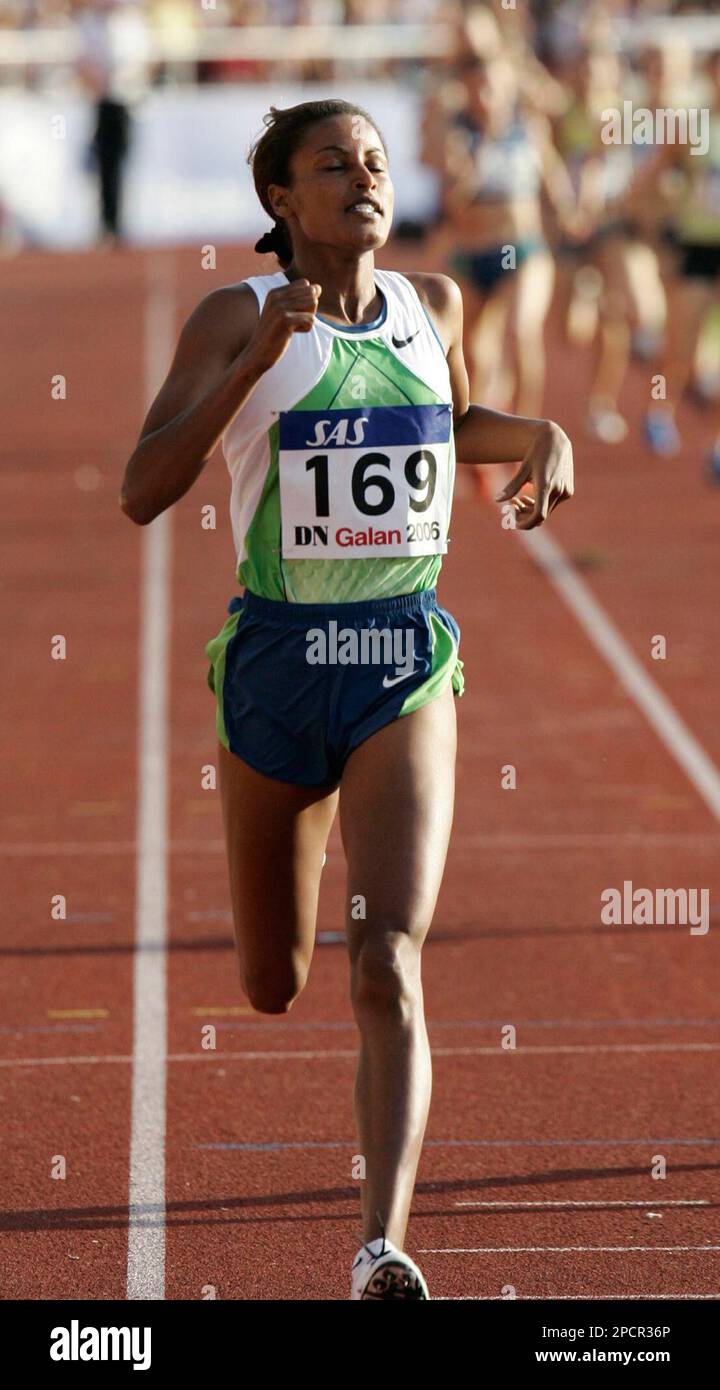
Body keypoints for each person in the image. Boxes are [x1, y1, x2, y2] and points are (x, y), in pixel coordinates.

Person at [120, 98, 574, 1300]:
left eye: (375, 160)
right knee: (274, 981)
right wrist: (258, 366)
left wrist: (539, 434)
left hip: (401, 662)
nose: (364, 178)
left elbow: (451, 417)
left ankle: (382, 1244)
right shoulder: (233, 316)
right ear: (281, 198)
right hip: (275, 667)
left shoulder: (437, 305)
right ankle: (291, 929)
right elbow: (143, 485)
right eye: (334, 164)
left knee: (387, 962)